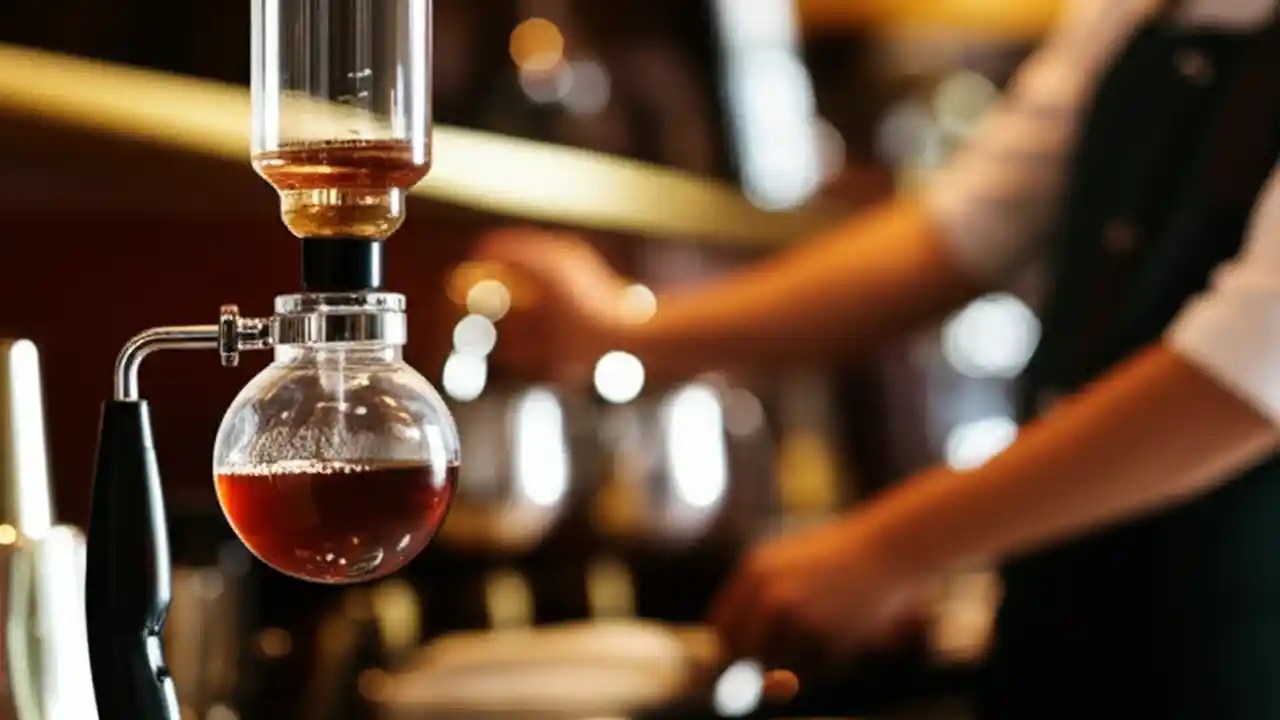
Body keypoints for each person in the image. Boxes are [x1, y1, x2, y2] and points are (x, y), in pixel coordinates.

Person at [471, 0, 1280, 715]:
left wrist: (889, 548)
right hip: (1068, 613)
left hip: (1241, 632)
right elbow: (961, 231)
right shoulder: (1133, 10)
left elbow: (1242, 377)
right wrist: (622, 332)